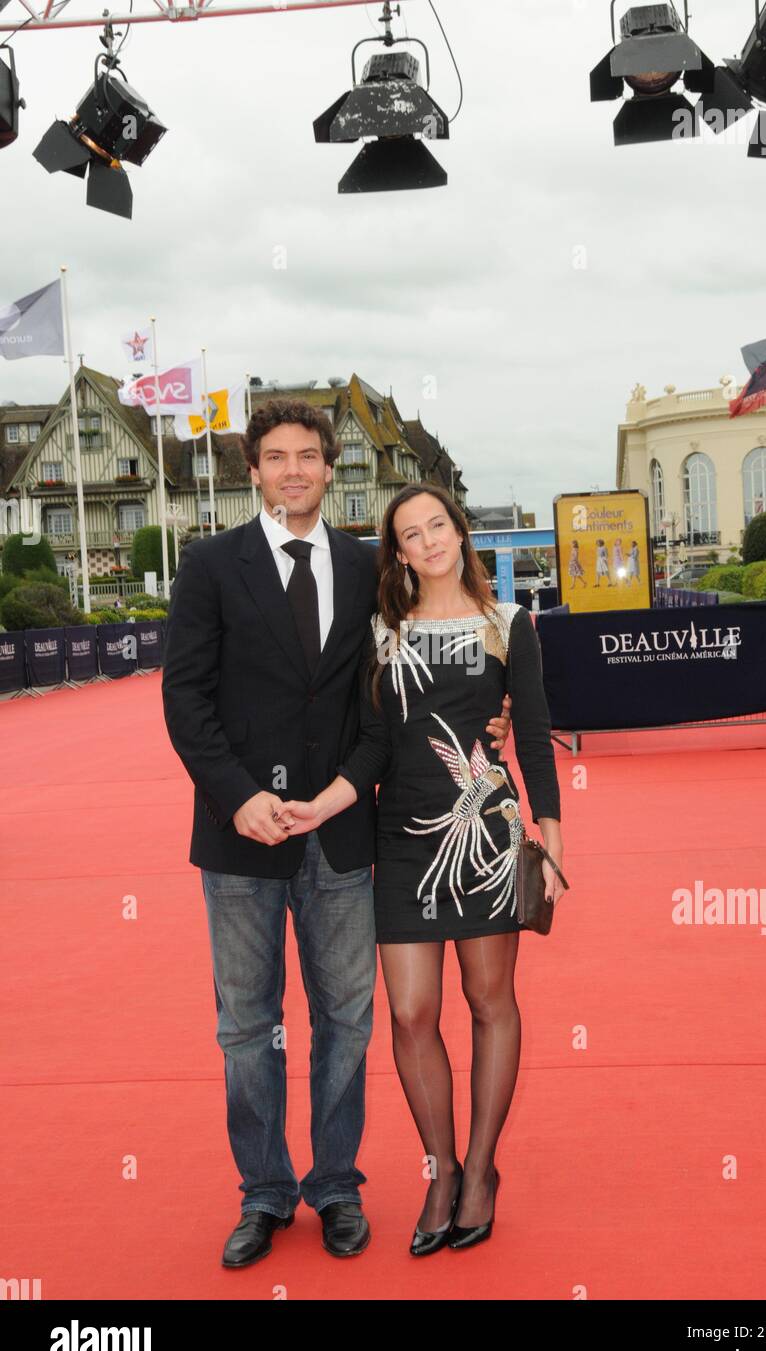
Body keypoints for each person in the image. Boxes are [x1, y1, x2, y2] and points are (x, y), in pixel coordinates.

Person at [160, 400, 512, 1268]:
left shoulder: (366, 570)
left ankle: (335, 1186)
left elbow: (394, 697)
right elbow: (185, 696)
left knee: (347, 1023)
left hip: (348, 833)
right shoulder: (209, 564)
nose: (292, 470)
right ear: (252, 471)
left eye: (307, 456)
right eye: (274, 457)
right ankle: (265, 1193)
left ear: (329, 469)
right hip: (240, 837)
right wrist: (238, 796)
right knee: (247, 1028)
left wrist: (489, 721)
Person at [279, 483, 566, 1255]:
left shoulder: (508, 623)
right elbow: (372, 744)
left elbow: (532, 736)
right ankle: (437, 1170)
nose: (429, 540)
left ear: (459, 532)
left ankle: (478, 1170)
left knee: (487, 999)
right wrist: (319, 805)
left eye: (438, 524)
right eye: (411, 533)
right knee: (410, 1013)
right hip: (401, 837)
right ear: (397, 552)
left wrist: (551, 839)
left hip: (490, 834)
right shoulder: (383, 631)